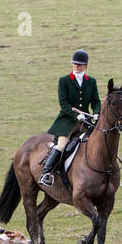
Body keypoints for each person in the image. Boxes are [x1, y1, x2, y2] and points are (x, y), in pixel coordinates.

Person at [39, 49, 100, 187]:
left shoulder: (91, 81)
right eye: (74, 64)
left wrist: (96, 112)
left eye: (79, 64)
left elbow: (96, 101)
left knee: (99, 141)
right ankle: (46, 173)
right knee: (61, 145)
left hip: (85, 120)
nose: (76, 66)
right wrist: (75, 115)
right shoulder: (64, 80)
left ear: (85, 66)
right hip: (67, 121)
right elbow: (64, 104)